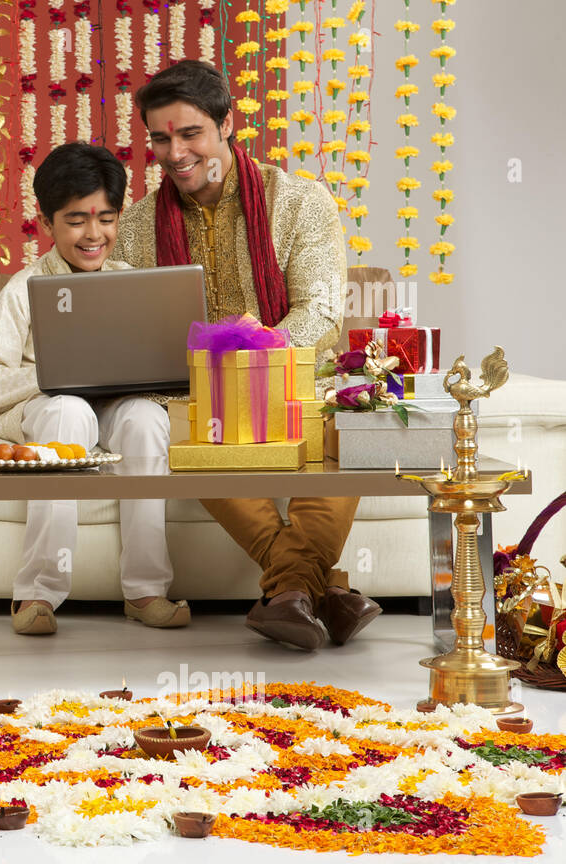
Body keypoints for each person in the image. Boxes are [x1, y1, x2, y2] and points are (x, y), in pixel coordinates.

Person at [111, 60, 381, 650]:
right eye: (160, 138)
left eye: (190, 134)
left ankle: (289, 590)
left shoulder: (301, 202)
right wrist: (213, 380)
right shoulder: (135, 228)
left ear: (227, 123)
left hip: (297, 379)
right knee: (182, 431)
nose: (175, 152)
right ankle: (320, 590)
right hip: (192, 395)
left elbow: (322, 312)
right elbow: (138, 336)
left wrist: (254, 356)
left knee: (350, 432)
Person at [0, 143, 189, 636]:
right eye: (76, 221)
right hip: (45, 410)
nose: (94, 235)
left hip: (113, 408)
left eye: (106, 218)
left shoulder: (133, 287)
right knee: (69, 412)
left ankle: (146, 589)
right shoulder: (24, 289)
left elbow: (162, 372)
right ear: (46, 223)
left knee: (147, 419)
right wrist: (55, 373)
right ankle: (37, 594)